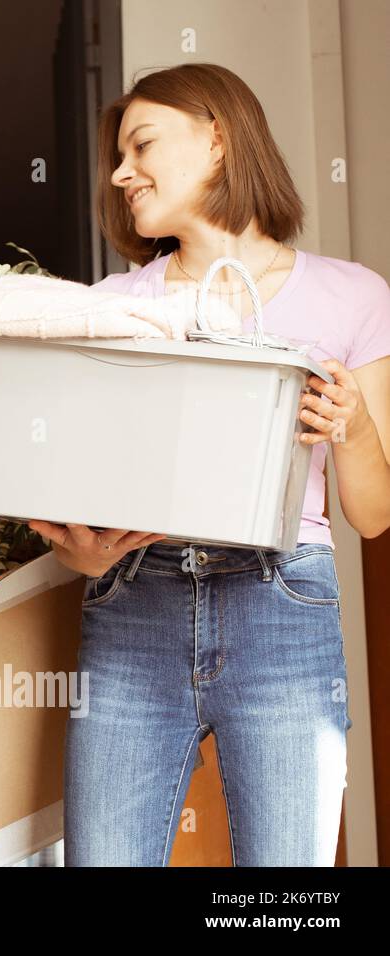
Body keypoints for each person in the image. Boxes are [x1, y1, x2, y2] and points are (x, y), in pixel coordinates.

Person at [29, 63, 390, 866]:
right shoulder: (115, 305)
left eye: (141, 145)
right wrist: (80, 549)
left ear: (219, 138)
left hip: (283, 603)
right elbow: (80, 493)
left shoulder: (354, 297)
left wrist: (353, 427)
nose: (121, 173)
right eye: (117, 158)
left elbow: (370, 514)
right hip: (134, 604)